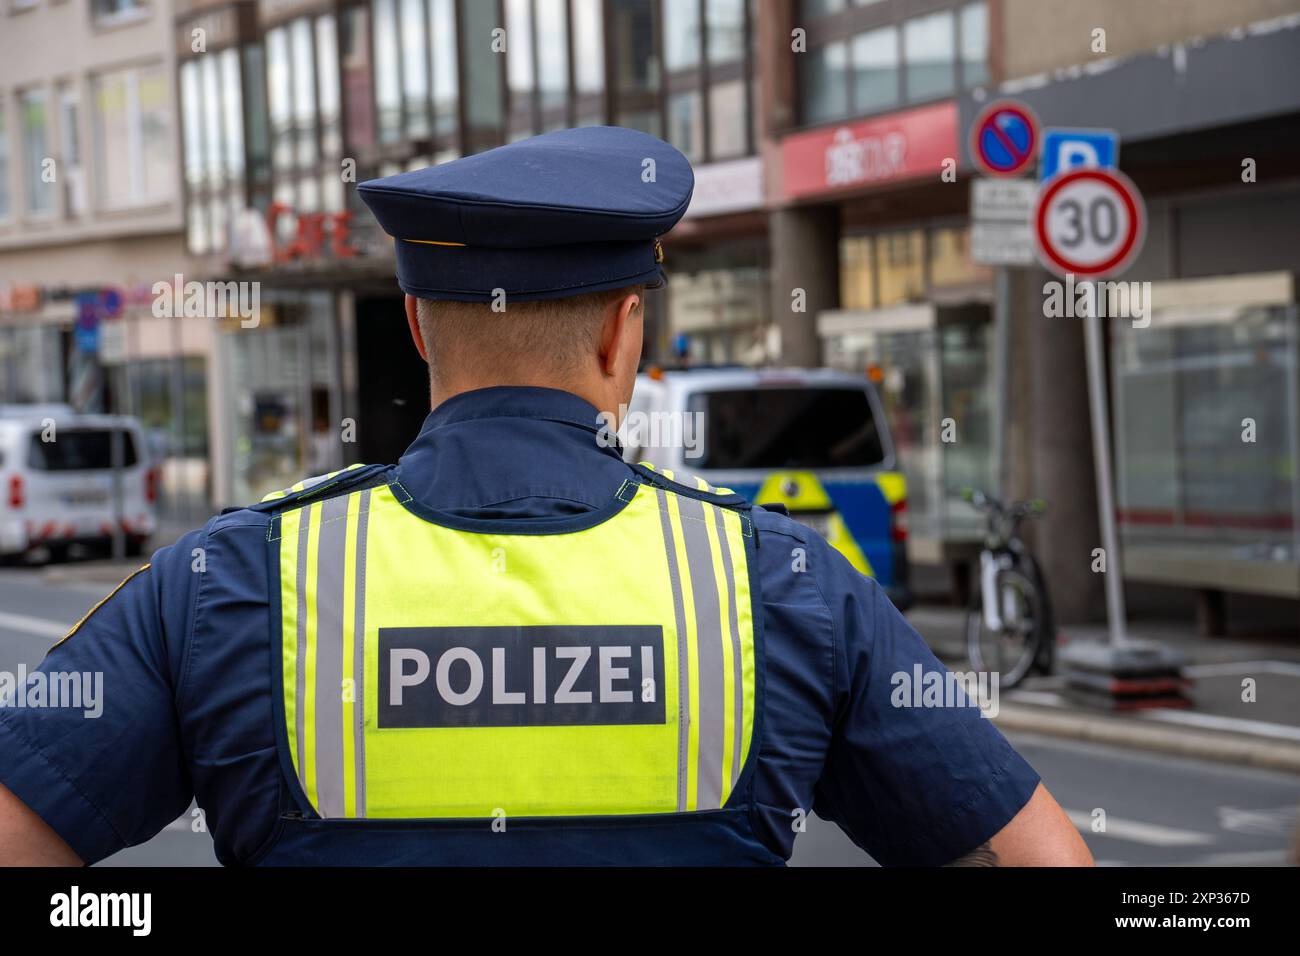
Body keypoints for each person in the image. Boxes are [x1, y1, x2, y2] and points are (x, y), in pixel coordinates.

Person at [0, 127, 1090, 866]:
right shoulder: (781, 582)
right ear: (626, 332)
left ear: (422, 328)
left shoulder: (227, 579)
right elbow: (1039, 855)